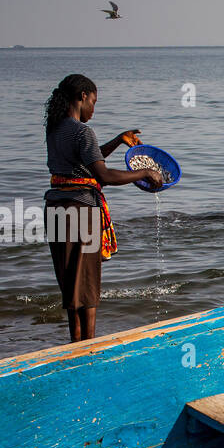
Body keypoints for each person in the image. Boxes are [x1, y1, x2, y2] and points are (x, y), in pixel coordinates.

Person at [43, 73, 162, 342]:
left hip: (56, 209)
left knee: (70, 282)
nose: (94, 109)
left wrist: (120, 140)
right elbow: (104, 176)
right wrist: (144, 173)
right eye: (94, 101)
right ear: (82, 96)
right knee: (87, 284)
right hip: (82, 211)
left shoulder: (54, 128)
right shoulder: (83, 131)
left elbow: (87, 163)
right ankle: (90, 348)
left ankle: (74, 345)